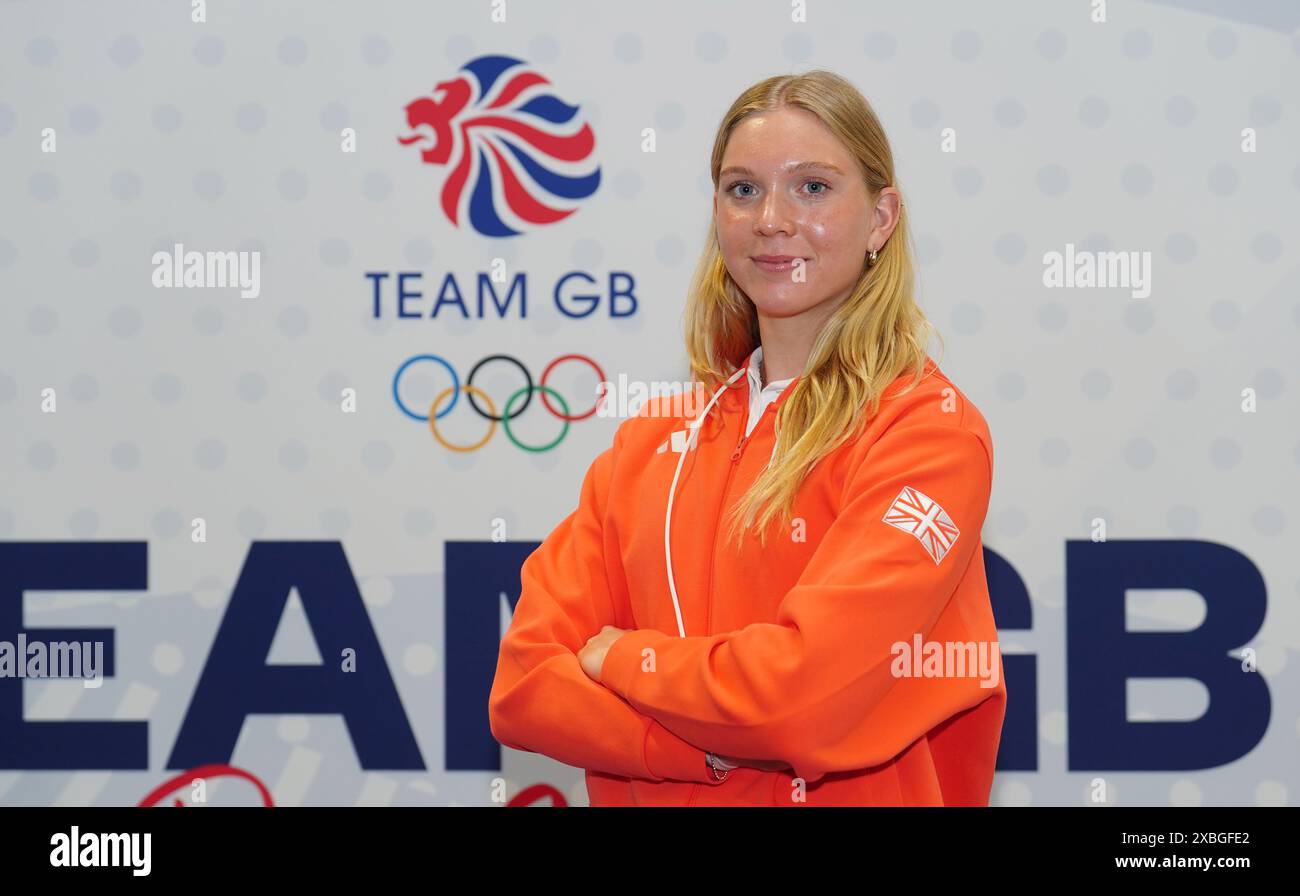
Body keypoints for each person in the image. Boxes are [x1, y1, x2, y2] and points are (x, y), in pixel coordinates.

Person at [488, 69, 1005, 806]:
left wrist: (624, 659)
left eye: (814, 188)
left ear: (882, 217)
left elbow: (802, 698)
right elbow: (524, 685)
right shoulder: (650, 441)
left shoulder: (926, 433)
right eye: (742, 189)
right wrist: (698, 752)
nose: (771, 218)